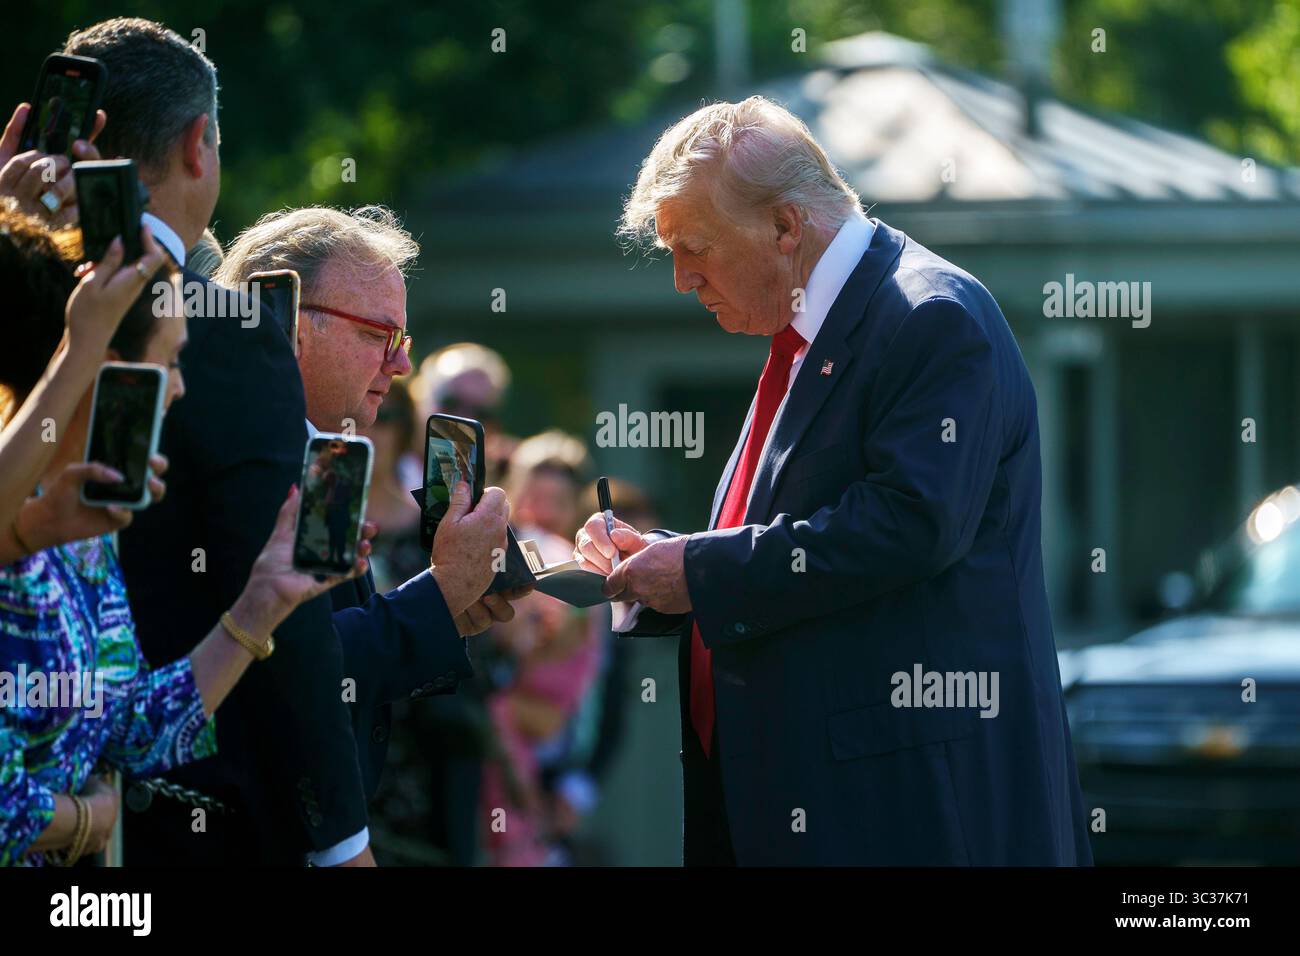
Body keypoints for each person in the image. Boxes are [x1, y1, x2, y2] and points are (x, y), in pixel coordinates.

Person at [576, 96, 1092, 865]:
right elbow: (810, 538)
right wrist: (664, 565)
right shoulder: (813, 327)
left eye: (696, 248)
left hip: (908, 814)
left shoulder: (930, 316)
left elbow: (909, 528)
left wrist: (699, 570)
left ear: (786, 227)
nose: (683, 279)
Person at [58, 16, 374, 866]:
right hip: (179, 826)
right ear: (200, 143)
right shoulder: (217, 323)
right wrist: (342, 843)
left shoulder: (30, 283)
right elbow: (296, 640)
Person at [0, 206, 373, 865]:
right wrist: (84, 820)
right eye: (169, 364)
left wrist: (264, 599)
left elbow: (135, 733)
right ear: (107, 367)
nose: (177, 391)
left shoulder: (83, 537)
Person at [214, 205, 527, 808]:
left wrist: (444, 607)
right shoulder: (240, 458)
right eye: (376, 335)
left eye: (401, 339)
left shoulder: (326, 453)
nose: (402, 363)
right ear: (291, 319)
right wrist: (438, 592)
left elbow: (329, 651)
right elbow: (288, 675)